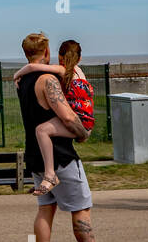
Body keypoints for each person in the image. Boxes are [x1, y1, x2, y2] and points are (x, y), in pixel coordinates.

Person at [17, 33, 126, 242]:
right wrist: (83, 133)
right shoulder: (48, 81)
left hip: (36, 155)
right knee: (80, 211)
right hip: (62, 157)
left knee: (45, 209)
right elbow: (67, 117)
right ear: (46, 53)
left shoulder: (22, 82)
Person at [12, 40, 94, 195]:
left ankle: (50, 174)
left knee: (42, 130)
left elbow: (32, 67)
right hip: (87, 120)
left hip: (80, 122)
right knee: (44, 130)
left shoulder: (62, 71)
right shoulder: (79, 72)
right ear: (80, 58)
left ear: (59, 56)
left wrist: (17, 75)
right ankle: (46, 175)